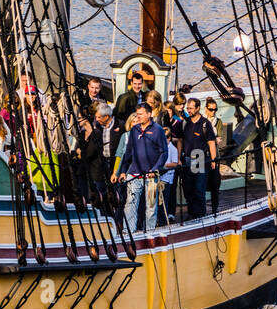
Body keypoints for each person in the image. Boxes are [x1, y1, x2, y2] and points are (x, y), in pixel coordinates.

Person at [114, 103, 167, 233]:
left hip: (151, 175)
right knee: (130, 203)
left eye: (141, 114)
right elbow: (128, 152)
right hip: (134, 173)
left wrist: (155, 169)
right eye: (137, 114)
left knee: (150, 206)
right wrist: (123, 171)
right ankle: (128, 232)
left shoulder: (158, 130)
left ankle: (150, 231)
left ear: (149, 114)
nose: (138, 117)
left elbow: (164, 152)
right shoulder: (135, 130)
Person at [174, 97, 217, 221]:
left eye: (191, 108)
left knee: (199, 188)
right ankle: (191, 212)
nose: (189, 110)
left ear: (198, 108)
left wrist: (213, 160)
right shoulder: (185, 123)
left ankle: (200, 214)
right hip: (187, 157)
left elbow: (211, 142)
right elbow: (180, 141)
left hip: (200, 156)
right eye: (188, 108)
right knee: (188, 188)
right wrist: (178, 158)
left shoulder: (205, 124)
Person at [80, 102, 120, 212]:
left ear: (107, 117)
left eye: (98, 117)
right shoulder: (97, 127)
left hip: (113, 163)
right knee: (101, 192)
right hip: (100, 165)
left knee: (114, 194)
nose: (96, 119)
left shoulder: (119, 126)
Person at [204, 97, 224, 214]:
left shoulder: (218, 122)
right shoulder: (202, 121)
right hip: (203, 155)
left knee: (215, 182)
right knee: (201, 181)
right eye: (211, 110)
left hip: (214, 155)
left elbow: (219, 139)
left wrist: (209, 140)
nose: (213, 112)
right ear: (206, 109)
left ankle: (215, 208)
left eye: (215, 110)